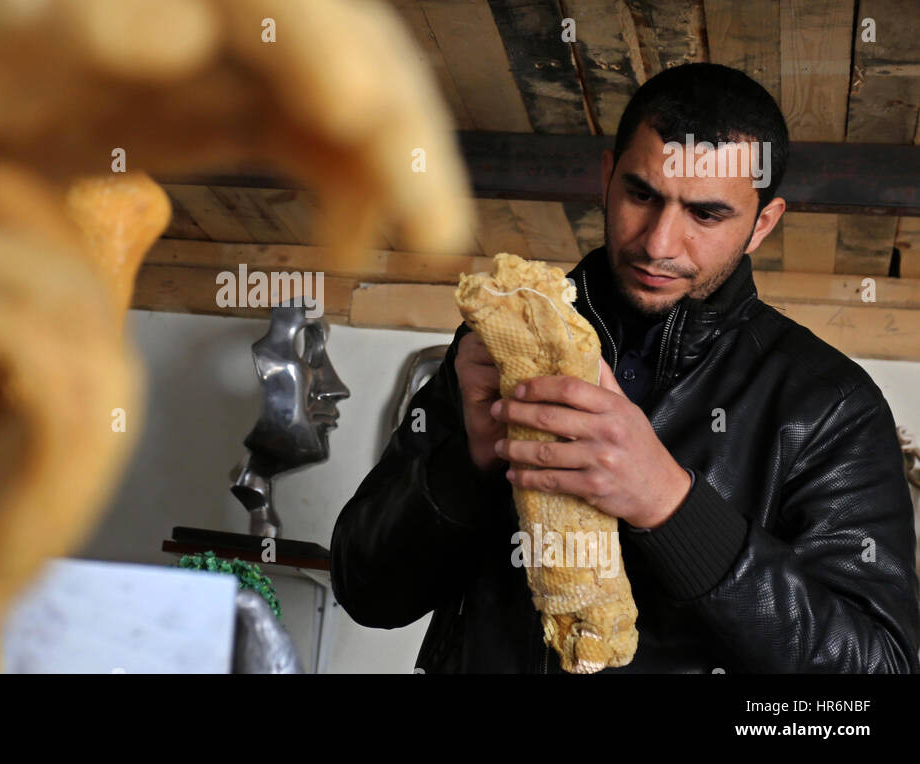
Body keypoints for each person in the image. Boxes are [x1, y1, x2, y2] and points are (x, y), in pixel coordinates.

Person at [331, 63, 920, 672]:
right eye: (643, 194)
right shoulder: (496, 343)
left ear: (760, 225)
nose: (660, 244)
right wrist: (470, 459)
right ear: (609, 177)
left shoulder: (830, 406)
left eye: (707, 215)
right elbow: (364, 591)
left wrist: (670, 505)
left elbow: (874, 674)